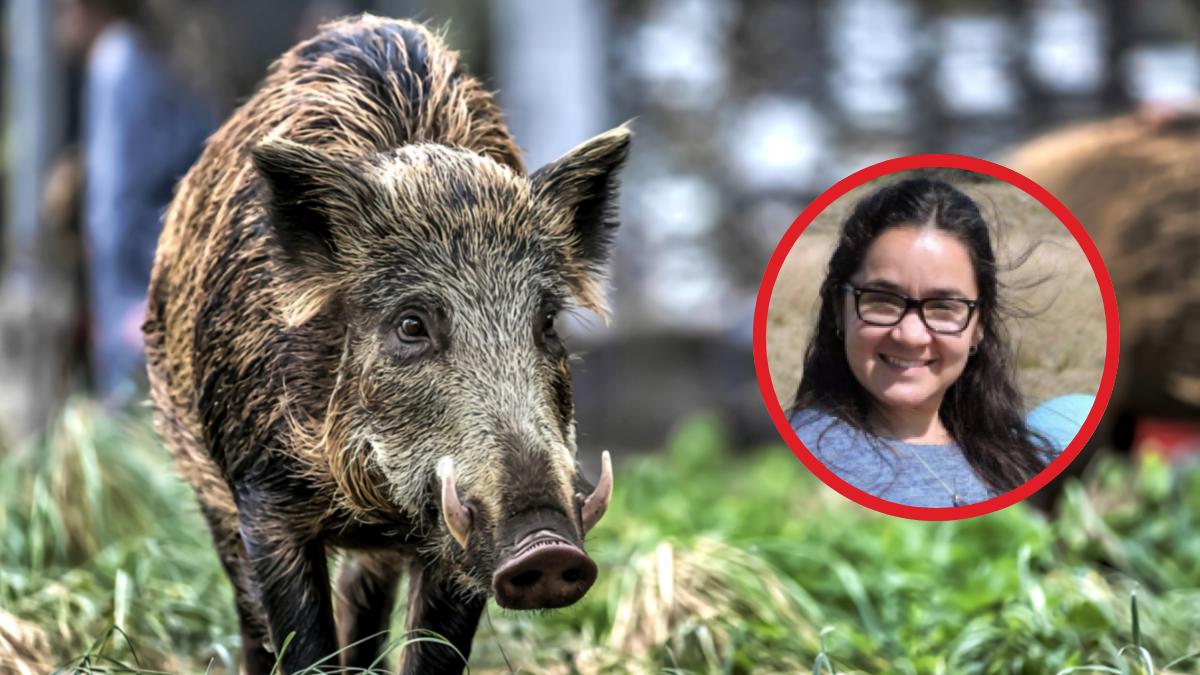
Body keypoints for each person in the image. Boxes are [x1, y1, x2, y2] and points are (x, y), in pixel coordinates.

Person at [789, 177, 1055, 508]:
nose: (911, 335)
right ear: (839, 310)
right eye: (882, 301)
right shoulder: (803, 466)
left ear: (979, 326)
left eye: (943, 307)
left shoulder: (1013, 457)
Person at [55, 0, 216, 405]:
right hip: (177, 269)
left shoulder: (115, 59)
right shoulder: (165, 52)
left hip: (136, 295)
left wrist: (110, 315)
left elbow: (111, 210)